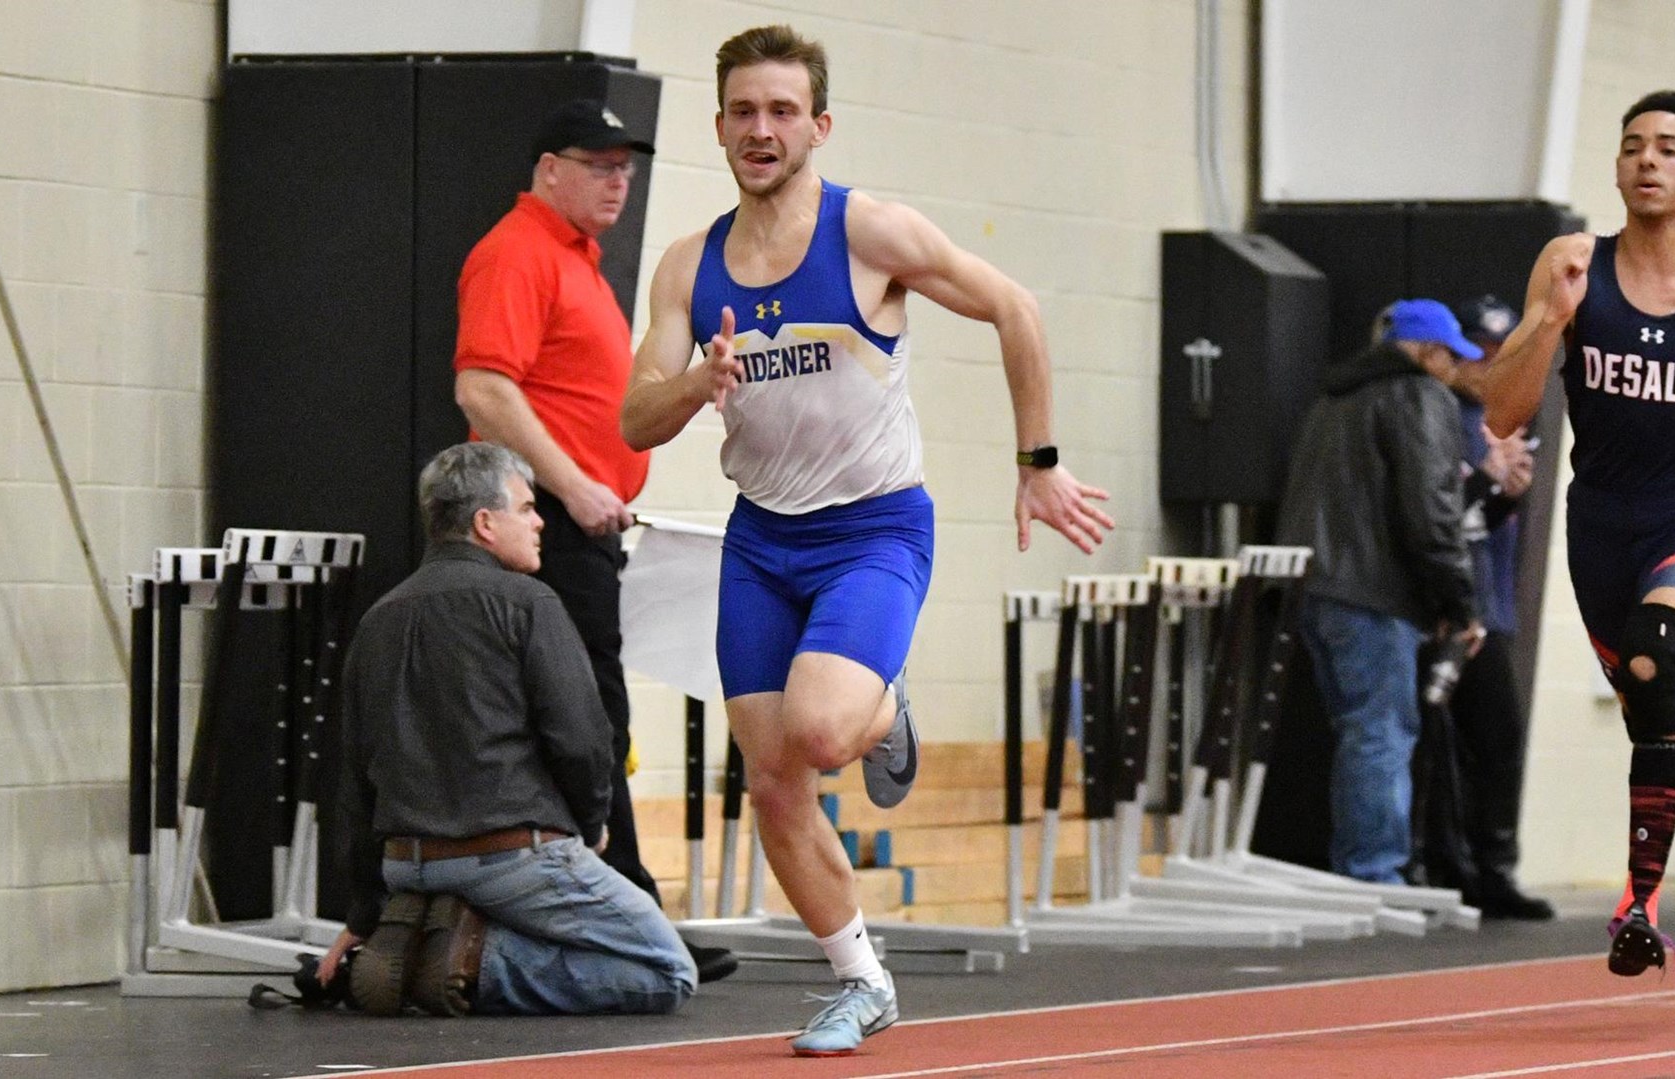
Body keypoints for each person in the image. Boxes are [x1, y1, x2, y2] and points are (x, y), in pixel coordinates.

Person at [619, 24, 1113, 1057]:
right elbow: (634, 419)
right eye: (743, 112)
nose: (762, 130)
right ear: (719, 127)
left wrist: (1039, 460)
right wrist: (697, 383)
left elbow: (1014, 307)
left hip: (872, 528)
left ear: (820, 127)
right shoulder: (687, 267)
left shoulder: (869, 234)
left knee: (821, 725)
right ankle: (861, 980)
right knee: (772, 779)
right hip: (763, 539)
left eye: (782, 111)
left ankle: (885, 707)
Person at [1460, 89, 1675, 977]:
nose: (1647, 160)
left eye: (1668, 146)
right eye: (1632, 146)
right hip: (1602, 528)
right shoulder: (1572, 262)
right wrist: (1552, 321)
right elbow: (1502, 414)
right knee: (1649, 696)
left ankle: (1640, 902)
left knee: (1653, 658)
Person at [451, 98, 736, 984]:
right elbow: (483, 389)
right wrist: (573, 486)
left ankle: (623, 908)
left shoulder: (577, 260)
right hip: (549, 524)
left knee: (593, 716)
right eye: (599, 165)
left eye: (626, 168)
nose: (619, 181)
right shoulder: (517, 252)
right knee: (586, 717)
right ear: (548, 170)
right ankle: (632, 912)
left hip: (582, 525)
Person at [316, 442, 696, 1016]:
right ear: (485, 524)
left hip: (408, 866)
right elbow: (583, 741)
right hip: (512, 861)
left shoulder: (376, 620)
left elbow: (355, 780)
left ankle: (432, 934)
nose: (540, 522)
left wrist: (366, 917)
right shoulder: (530, 603)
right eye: (527, 508)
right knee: (668, 971)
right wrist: (591, 826)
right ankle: (470, 961)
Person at [1276, 299, 1483, 889]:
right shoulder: (1420, 397)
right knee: (1382, 733)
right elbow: (1432, 511)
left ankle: (1358, 869)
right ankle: (1373, 874)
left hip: (1312, 590)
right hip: (1373, 593)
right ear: (1426, 352)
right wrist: (1458, 603)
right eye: (1450, 357)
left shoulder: (1333, 399)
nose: (1455, 371)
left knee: (1358, 732)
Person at [1437, 295, 1553, 920]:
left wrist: (1508, 491)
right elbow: (1438, 515)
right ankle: (1456, 868)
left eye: (1498, 354)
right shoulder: (1439, 414)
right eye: (1478, 353)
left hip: (1490, 599)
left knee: (1498, 739)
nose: (1487, 366)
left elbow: (1481, 516)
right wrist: (1486, 478)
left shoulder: (1508, 414)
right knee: (1448, 744)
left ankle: (1494, 867)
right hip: (1451, 602)